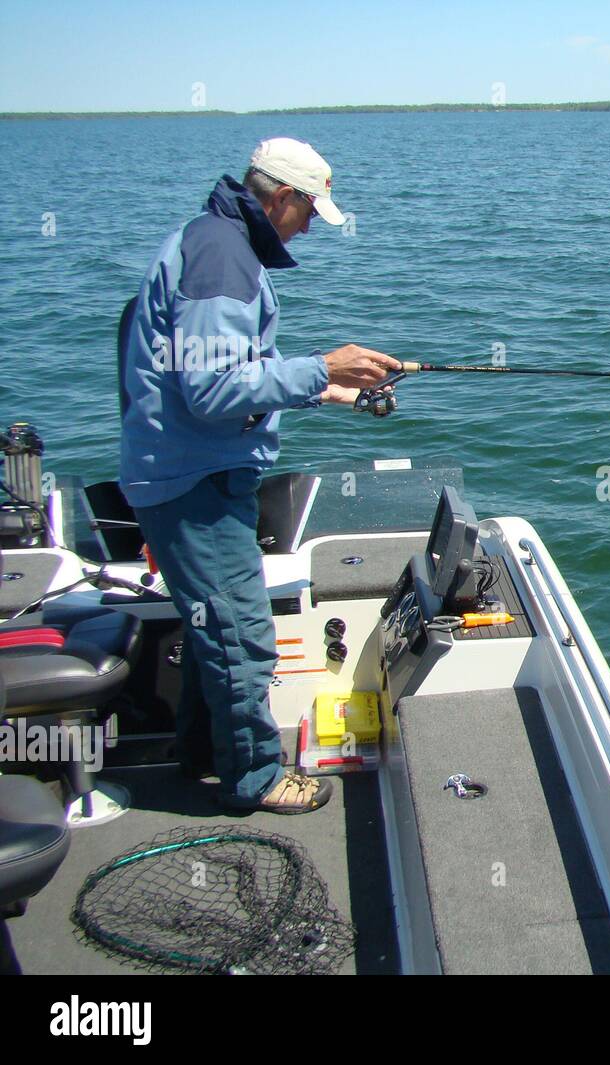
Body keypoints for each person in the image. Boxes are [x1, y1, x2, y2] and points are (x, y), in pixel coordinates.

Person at [118, 137, 400, 813]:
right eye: (309, 212)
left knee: (214, 624)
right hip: (194, 488)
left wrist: (334, 391)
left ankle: (202, 753)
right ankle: (254, 779)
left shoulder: (215, 242)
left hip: (191, 476)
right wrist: (321, 367)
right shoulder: (222, 259)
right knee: (242, 635)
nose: (310, 228)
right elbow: (212, 389)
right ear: (281, 199)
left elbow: (229, 376)